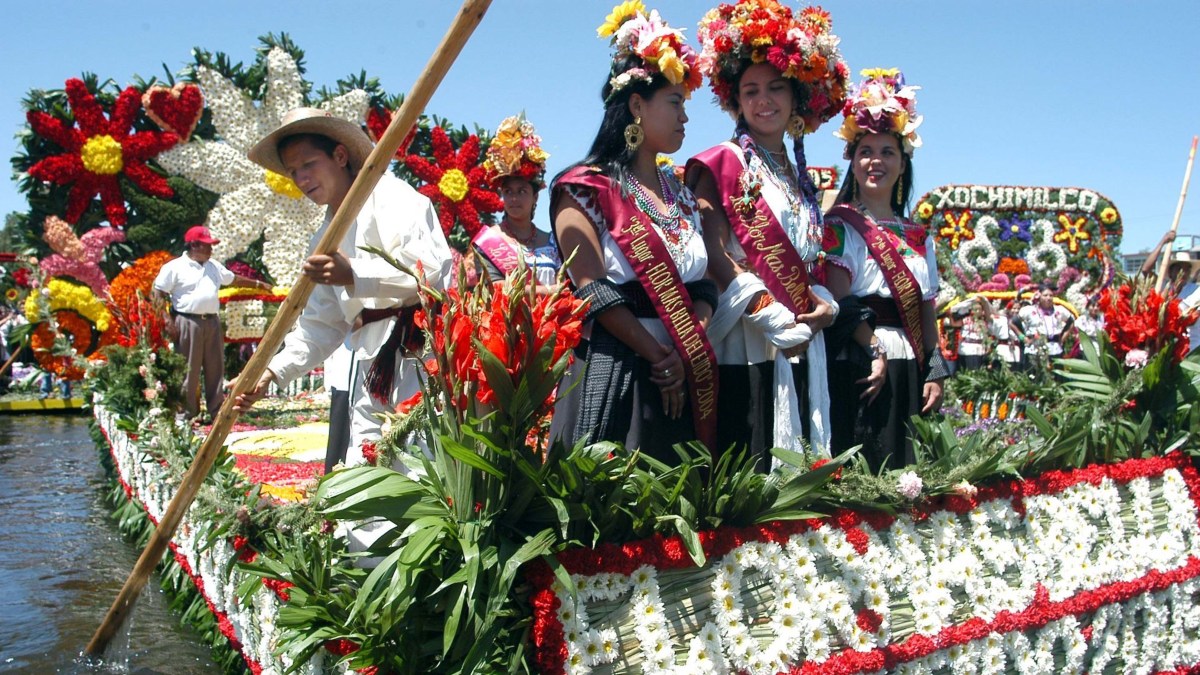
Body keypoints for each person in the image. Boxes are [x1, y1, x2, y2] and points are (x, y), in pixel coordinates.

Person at [236, 107, 452, 465]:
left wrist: (353, 272)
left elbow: (432, 269)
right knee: (367, 461)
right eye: (293, 172)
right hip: (369, 364)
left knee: (421, 460)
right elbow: (320, 324)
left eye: (308, 164)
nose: (302, 178)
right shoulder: (323, 238)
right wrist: (272, 373)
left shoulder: (392, 196)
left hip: (420, 353)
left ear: (339, 156)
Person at [549, 4, 718, 461]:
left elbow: (701, 282)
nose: (685, 117)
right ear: (637, 105)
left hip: (680, 370)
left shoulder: (679, 192)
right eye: (676, 102)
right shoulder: (584, 188)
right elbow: (592, 289)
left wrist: (688, 344)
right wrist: (662, 356)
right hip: (618, 364)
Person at [685, 0, 845, 463]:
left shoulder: (799, 177)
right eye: (750, 90)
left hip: (798, 337)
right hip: (746, 337)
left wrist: (821, 301)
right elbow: (713, 250)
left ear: (797, 98)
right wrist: (764, 308)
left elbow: (807, 254)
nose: (763, 100)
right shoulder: (722, 163)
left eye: (776, 88)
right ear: (735, 100)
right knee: (749, 461)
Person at [821, 68, 949, 468]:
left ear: (902, 163)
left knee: (906, 464)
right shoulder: (839, 226)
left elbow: (926, 308)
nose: (876, 161)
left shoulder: (917, 235)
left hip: (907, 360)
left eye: (887, 152)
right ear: (853, 162)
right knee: (863, 463)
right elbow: (840, 297)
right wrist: (871, 347)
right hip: (859, 358)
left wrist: (935, 369)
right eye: (866, 152)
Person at [153, 225, 269, 421]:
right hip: (188, 321)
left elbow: (232, 279)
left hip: (212, 322)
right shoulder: (174, 267)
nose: (210, 250)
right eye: (206, 246)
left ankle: (217, 411)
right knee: (188, 369)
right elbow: (157, 292)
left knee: (215, 367)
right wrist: (166, 320)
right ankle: (186, 414)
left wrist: (258, 284)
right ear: (194, 245)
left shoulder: (213, 266)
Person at [474, 114, 561, 293]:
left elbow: (566, 287)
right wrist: (551, 291)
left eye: (522, 191)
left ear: (535, 197)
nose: (514, 199)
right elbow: (496, 290)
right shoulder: (489, 241)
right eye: (508, 192)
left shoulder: (553, 242)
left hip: (554, 320)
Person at [1015, 281, 1074, 368]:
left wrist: (1063, 337)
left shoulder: (1059, 310)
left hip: (1055, 349)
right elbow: (1013, 323)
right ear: (1039, 296)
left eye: (1051, 295)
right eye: (1045, 295)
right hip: (1035, 349)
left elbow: (1071, 321)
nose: (1048, 298)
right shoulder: (1029, 310)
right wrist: (1023, 338)